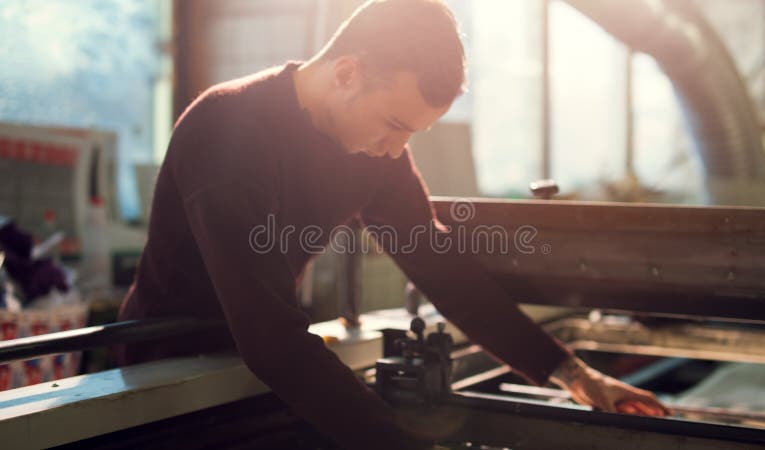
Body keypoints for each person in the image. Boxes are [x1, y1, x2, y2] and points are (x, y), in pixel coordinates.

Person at [117, 0, 670, 448]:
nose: (394, 151)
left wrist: (571, 372)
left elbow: (441, 267)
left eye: (412, 135)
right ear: (347, 73)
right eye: (393, 124)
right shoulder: (227, 133)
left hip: (257, 375)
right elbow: (272, 340)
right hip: (166, 384)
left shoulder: (373, 153)